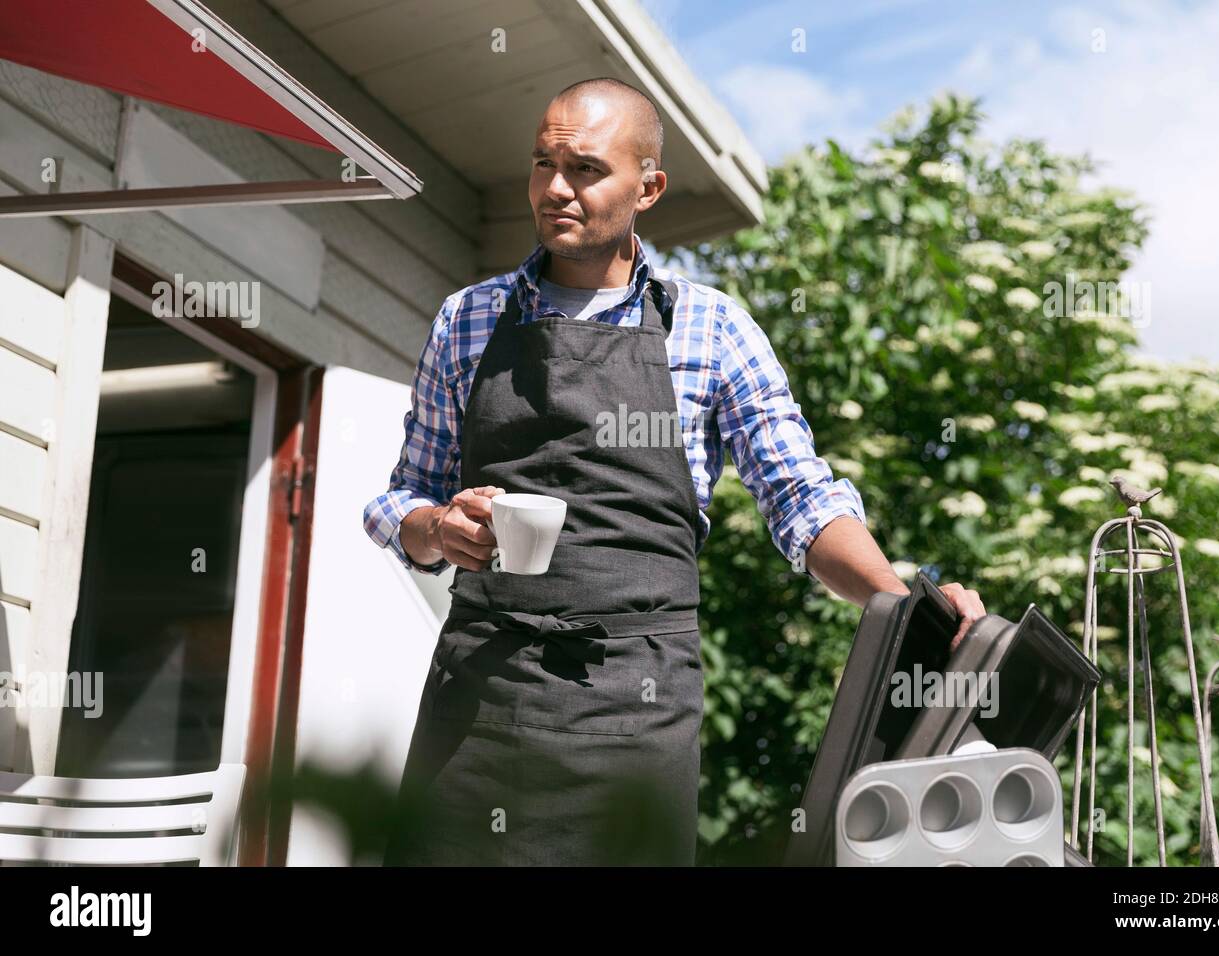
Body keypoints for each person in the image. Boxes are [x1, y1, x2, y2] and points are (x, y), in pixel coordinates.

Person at [362, 77, 986, 866]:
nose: (556, 189)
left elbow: (802, 502)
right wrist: (436, 529)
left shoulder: (714, 328)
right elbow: (402, 497)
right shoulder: (470, 318)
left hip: (637, 705)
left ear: (648, 186)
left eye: (586, 169)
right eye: (542, 165)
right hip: (479, 701)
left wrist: (907, 604)